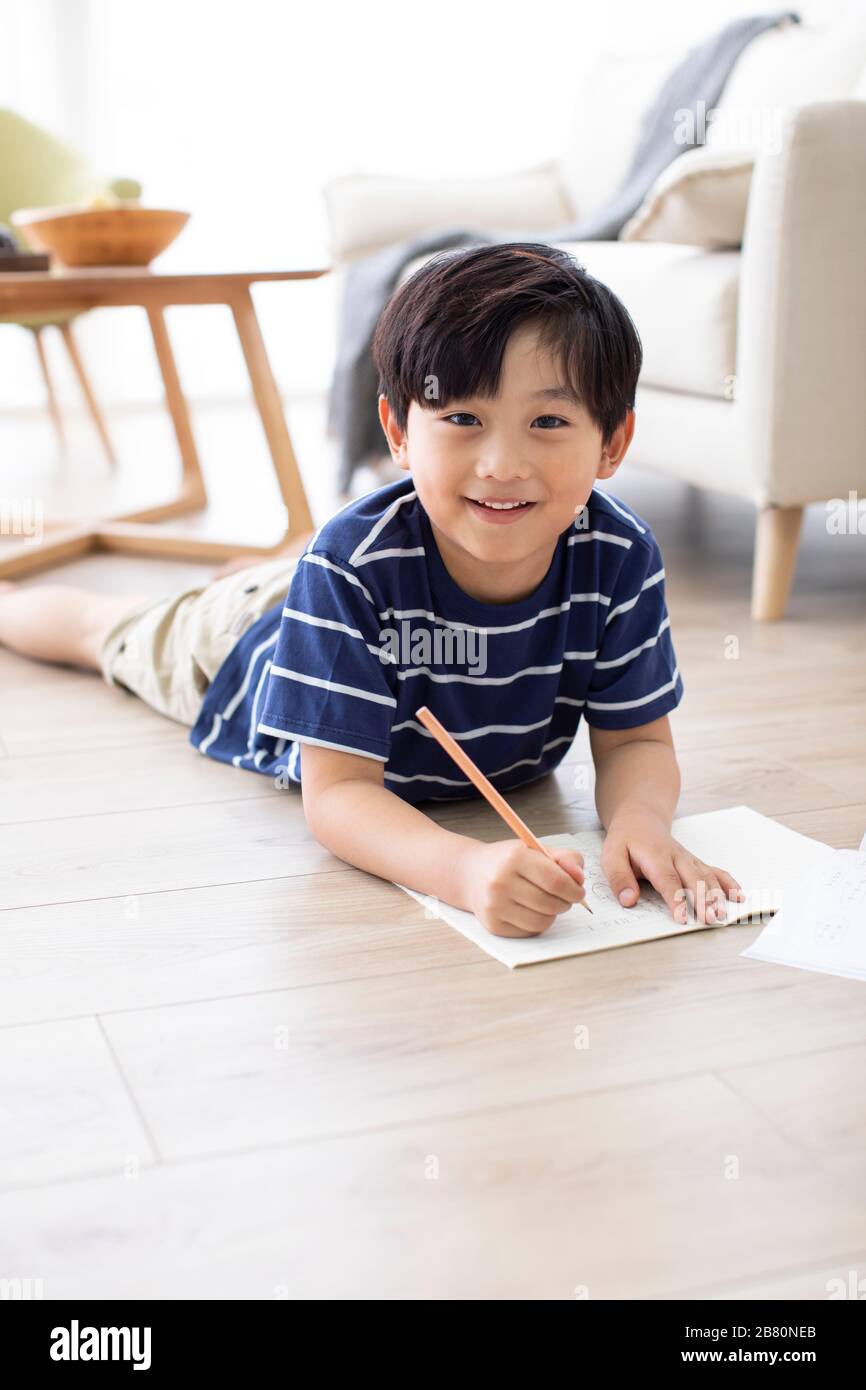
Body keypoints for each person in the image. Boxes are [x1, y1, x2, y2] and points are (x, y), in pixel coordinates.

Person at [0, 242, 744, 938]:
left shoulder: (620, 556)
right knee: (108, 630)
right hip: (244, 643)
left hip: (341, 573)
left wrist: (639, 821)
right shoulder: (350, 568)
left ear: (613, 443)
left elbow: (637, 739)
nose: (501, 464)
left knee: (317, 564)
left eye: (548, 420)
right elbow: (339, 796)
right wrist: (463, 867)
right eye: (462, 418)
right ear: (396, 431)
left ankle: (271, 567)